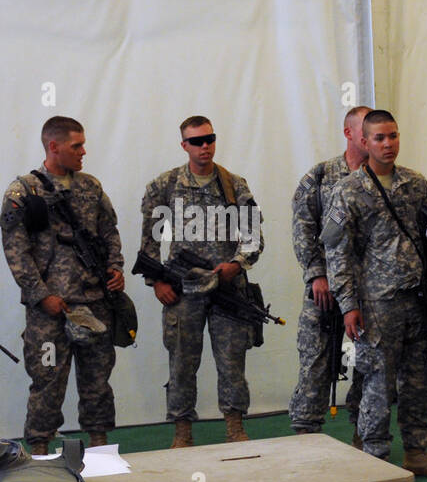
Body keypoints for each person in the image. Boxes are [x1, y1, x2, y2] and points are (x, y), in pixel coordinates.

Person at [320, 109, 427, 477]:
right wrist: (348, 305)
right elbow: (337, 253)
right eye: (379, 138)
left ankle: (416, 451)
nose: (388, 144)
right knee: (378, 382)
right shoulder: (347, 191)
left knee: (419, 380)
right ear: (363, 142)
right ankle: (375, 456)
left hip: (417, 300)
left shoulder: (415, 184)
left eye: (393, 136)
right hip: (375, 304)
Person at [138, 116, 263, 446]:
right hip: (182, 292)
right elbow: (150, 242)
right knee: (181, 363)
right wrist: (157, 282)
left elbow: (252, 236)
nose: (204, 145)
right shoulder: (165, 185)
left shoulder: (233, 184)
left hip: (226, 290)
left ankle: (235, 429)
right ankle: (182, 432)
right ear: (184, 146)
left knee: (232, 361)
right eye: (196, 141)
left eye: (209, 138)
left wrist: (237, 264)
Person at [2, 117, 124, 453]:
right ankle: (39, 454)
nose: (83, 151)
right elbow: (16, 251)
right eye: (76, 145)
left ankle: (101, 450)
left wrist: (115, 268)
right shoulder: (23, 192)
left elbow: (109, 232)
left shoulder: (90, 187)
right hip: (50, 313)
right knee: (47, 384)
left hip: (95, 304)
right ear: (53, 146)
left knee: (98, 383)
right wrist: (41, 296)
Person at [288, 105, 371, 438]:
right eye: (364, 130)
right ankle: (307, 436)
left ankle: (364, 434)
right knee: (315, 360)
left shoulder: (384, 179)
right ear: (349, 133)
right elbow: (302, 229)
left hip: (370, 291)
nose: (371, 137)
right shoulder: (320, 177)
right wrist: (316, 274)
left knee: (368, 365)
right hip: (325, 290)